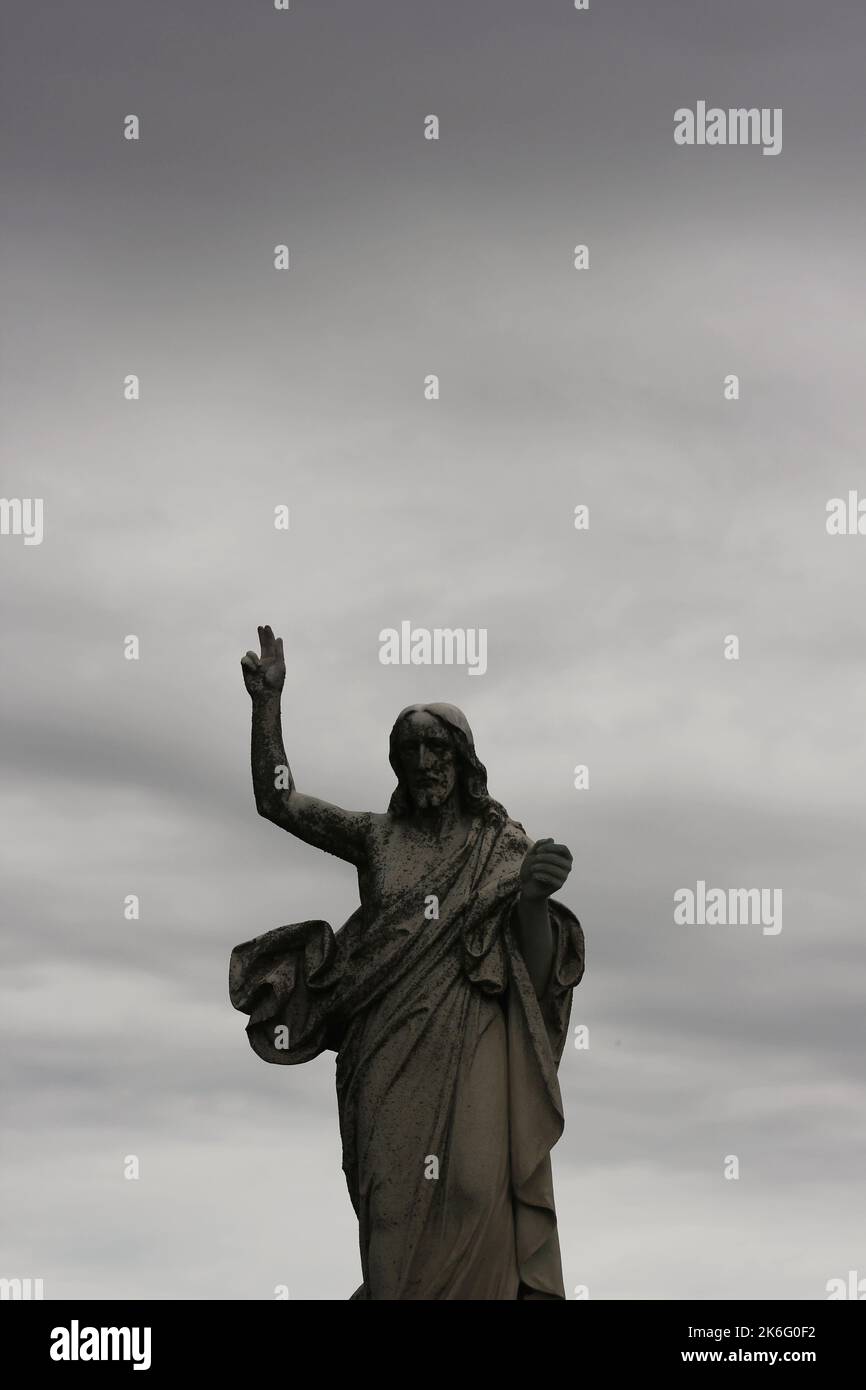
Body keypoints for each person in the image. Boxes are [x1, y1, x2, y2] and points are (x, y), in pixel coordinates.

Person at [230, 625, 585, 1299]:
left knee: (476, 1188)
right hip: (384, 1049)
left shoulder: (502, 849)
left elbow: (537, 981)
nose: (423, 761)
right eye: (408, 750)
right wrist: (266, 705)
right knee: (390, 1209)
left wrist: (535, 901)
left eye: (436, 747)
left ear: (462, 758)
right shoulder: (377, 838)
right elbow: (278, 801)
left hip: (472, 1039)